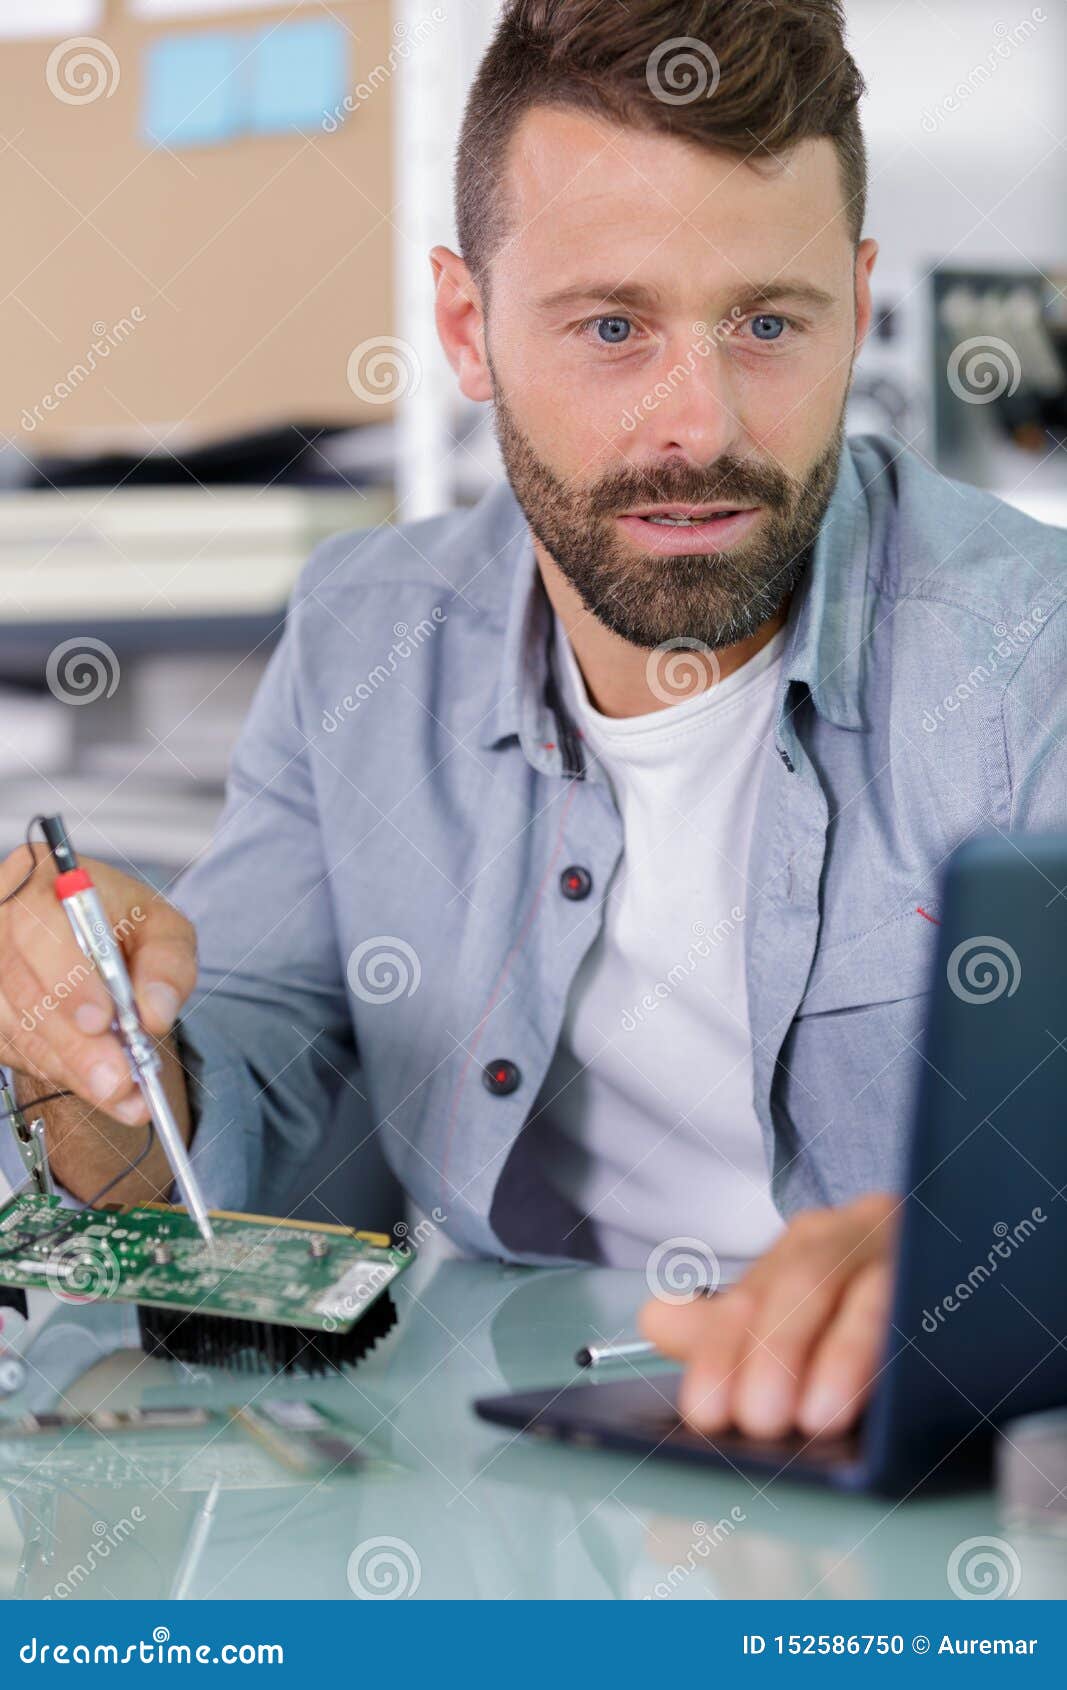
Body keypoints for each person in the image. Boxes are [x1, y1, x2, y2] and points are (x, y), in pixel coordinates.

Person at [1, 0, 1064, 1443]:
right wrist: (88, 1058)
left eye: (767, 321)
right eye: (612, 325)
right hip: (517, 1487)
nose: (697, 424)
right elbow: (241, 1152)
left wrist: (1003, 1267)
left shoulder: (1031, 653)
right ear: (467, 325)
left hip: (935, 1497)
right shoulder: (364, 640)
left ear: (857, 305)